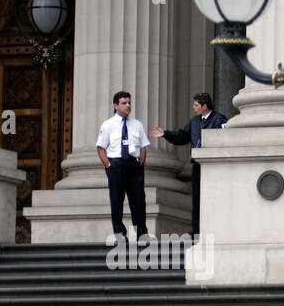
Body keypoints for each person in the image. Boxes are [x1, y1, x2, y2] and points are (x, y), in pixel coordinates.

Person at [150, 93, 227, 236]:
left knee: (213, 196)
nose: (193, 107)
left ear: (205, 106)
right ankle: (197, 230)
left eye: (196, 105)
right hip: (197, 165)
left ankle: (214, 228)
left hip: (212, 166)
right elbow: (182, 136)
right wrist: (165, 134)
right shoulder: (194, 121)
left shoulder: (219, 119)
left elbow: (225, 139)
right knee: (197, 198)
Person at [97, 91, 150, 239]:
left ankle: (141, 234)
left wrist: (141, 164)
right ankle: (119, 233)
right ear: (116, 105)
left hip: (134, 165)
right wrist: (108, 165)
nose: (128, 106)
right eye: (124, 103)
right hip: (116, 164)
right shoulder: (108, 125)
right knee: (116, 199)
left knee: (139, 200)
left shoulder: (137, 124)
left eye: (129, 103)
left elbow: (143, 146)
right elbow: (101, 147)